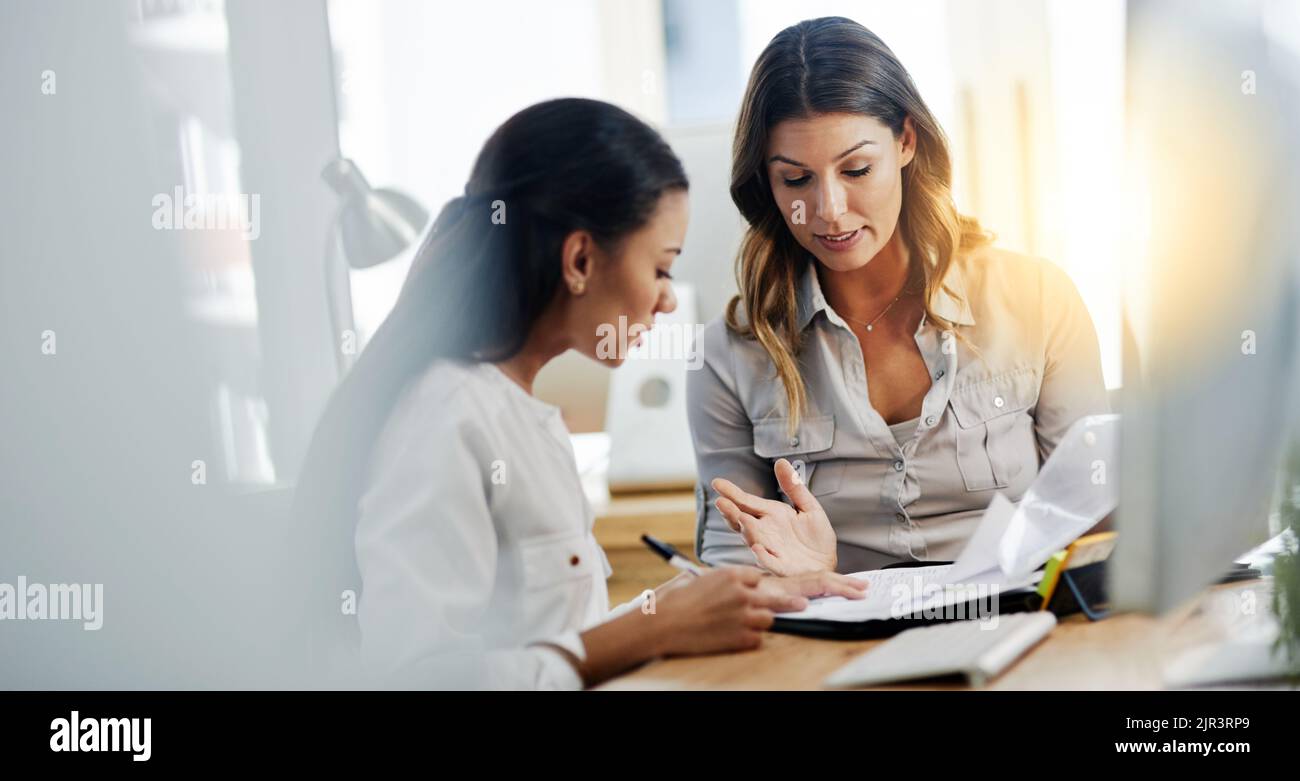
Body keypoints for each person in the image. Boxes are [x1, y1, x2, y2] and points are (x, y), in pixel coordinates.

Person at [292, 98, 866, 690]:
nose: (668, 300)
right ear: (581, 259)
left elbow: (555, 638)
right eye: (662, 269)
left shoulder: (520, 413)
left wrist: (700, 601)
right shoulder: (447, 417)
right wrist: (651, 629)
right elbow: (418, 679)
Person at [689, 17, 1109, 575]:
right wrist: (804, 578)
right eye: (796, 180)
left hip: (1018, 623)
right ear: (764, 181)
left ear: (906, 141)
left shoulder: (1036, 297)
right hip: (834, 639)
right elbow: (730, 562)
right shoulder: (729, 353)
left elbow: (1094, 516)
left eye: (857, 169)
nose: (829, 210)